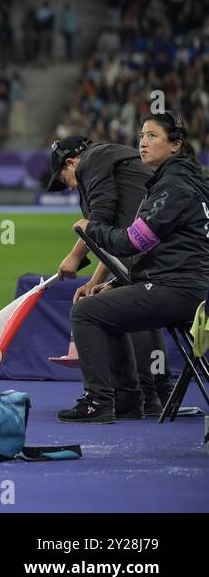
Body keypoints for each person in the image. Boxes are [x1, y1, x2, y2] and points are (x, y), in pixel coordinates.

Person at [59, 113, 209, 423]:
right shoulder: (189, 181)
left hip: (179, 289)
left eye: (153, 136)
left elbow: (134, 242)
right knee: (102, 307)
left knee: (84, 313)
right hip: (191, 287)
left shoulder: (174, 186)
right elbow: (159, 249)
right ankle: (128, 400)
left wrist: (91, 229)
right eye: (142, 135)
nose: (143, 141)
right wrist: (112, 283)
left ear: (175, 146)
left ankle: (98, 403)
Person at [42, 133, 170, 415]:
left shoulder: (93, 160)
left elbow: (101, 215)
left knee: (93, 309)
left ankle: (104, 400)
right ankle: (149, 397)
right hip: (158, 259)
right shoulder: (115, 161)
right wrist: (95, 281)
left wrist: (75, 256)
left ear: (72, 161)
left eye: (63, 178)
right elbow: (118, 235)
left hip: (158, 265)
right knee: (112, 296)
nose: (67, 186)